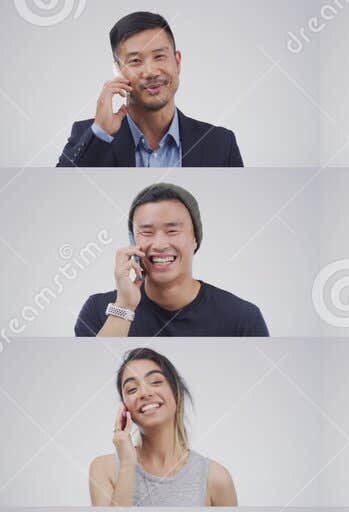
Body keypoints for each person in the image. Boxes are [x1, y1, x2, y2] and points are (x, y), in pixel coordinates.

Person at [75, 184, 268, 337]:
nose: (159, 244)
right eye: (146, 232)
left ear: (195, 239)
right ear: (133, 241)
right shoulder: (99, 310)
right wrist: (124, 306)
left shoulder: (243, 317)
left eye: (172, 231)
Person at [57, 12, 243, 168]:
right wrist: (100, 133)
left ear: (177, 62)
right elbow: (61, 195)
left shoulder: (220, 143)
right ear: (118, 70)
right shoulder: (88, 135)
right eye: (135, 61)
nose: (150, 72)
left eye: (160, 56)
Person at [89, 347, 238, 507]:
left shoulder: (216, 478)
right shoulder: (104, 469)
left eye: (156, 382)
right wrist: (127, 465)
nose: (145, 393)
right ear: (124, 409)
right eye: (132, 389)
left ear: (176, 392)